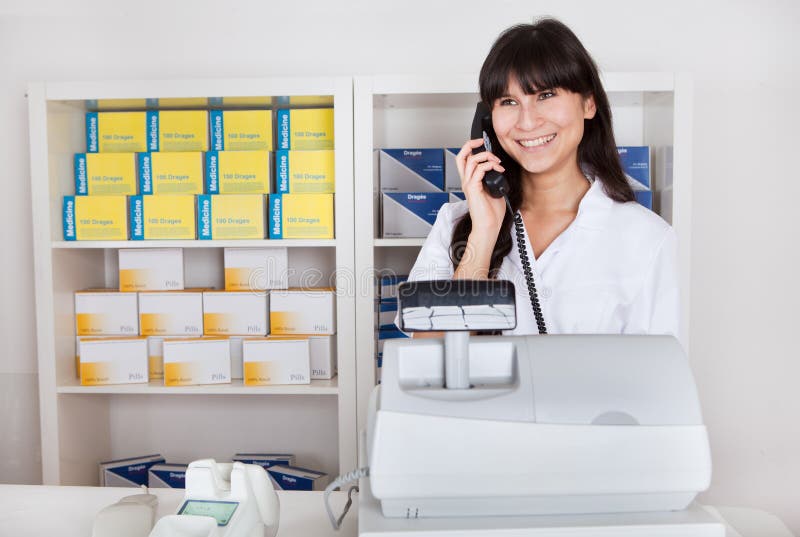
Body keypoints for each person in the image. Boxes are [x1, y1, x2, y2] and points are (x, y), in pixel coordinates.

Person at [405, 18, 679, 337]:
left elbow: (659, 378)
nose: (528, 121)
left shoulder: (647, 238)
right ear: (486, 119)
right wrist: (483, 234)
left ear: (588, 102)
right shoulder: (455, 225)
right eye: (509, 102)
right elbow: (425, 359)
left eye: (545, 95)